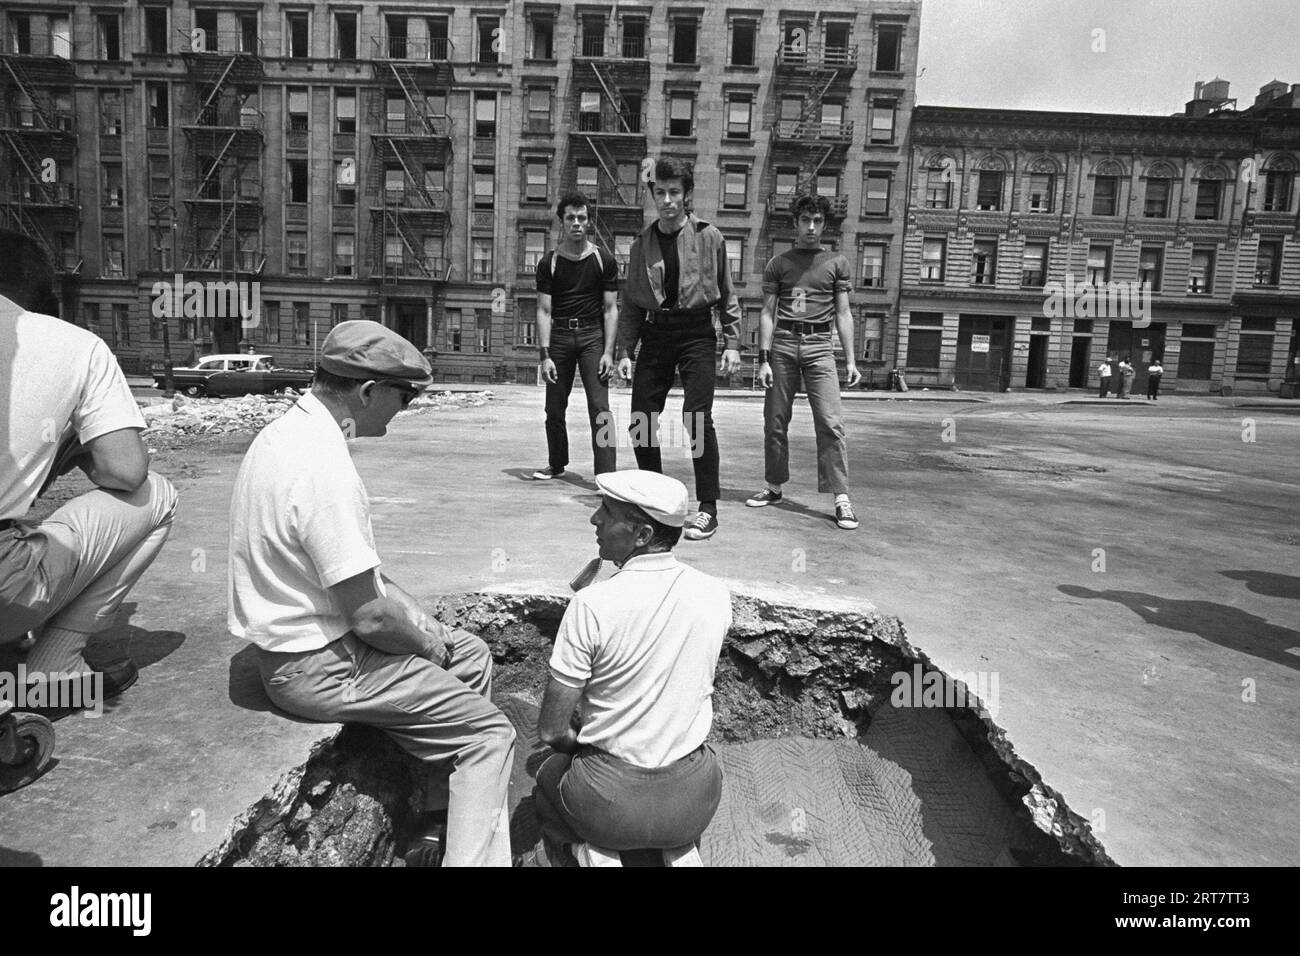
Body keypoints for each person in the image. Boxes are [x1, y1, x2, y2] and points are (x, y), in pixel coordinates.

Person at [227, 320, 515, 867]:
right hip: (318, 664)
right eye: (402, 398)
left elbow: (354, 573)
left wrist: (425, 622)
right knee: (489, 734)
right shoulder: (323, 468)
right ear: (367, 392)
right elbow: (371, 618)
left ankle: (435, 817)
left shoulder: (287, 434)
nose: (402, 411)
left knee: (470, 654)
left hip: (305, 642)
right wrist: (425, 644)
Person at [0, 229, 177, 717]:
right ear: (42, 300)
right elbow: (126, 471)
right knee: (157, 496)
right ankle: (52, 671)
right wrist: (71, 447)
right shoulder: (74, 345)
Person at [533, 470, 730, 866]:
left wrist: (582, 750)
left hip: (607, 807)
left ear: (641, 535)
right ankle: (677, 849)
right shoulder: (715, 593)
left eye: (606, 511)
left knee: (547, 776)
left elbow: (552, 731)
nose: (595, 519)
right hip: (692, 804)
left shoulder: (591, 605)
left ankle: (582, 853)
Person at [616, 157, 743, 541]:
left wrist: (732, 342)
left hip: (696, 334)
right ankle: (654, 502)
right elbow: (632, 303)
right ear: (653, 195)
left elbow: (727, 293)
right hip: (656, 335)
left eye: (675, 193)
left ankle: (708, 508)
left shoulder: (711, 237)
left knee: (697, 418)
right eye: (660, 193)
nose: (667, 200)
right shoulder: (641, 245)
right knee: (641, 418)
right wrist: (625, 350)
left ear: (687, 196)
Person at [747, 194, 862, 531]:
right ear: (795, 223)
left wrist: (850, 361)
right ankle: (774, 486)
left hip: (819, 347)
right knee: (775, 420)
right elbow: (767, 313)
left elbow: (843, 313)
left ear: (824, 225)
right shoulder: (778, 264)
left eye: (817, 221)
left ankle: (840, 497)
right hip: (782, 344)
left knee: (830, 422)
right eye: (805, 220)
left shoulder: (837, 262)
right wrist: (763, 359)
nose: (811, 227)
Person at [531, 192, 620, 480]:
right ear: (562, 222)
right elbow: (544, 311)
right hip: (559, 337)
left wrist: (609, 352)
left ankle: (605, 474)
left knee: (600, 407)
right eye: (571, 218)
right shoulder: (549, 263)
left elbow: (610, 308)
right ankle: (556, 464)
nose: (577, 223)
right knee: (554, 408)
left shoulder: (603, 259)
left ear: (589, 222)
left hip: (592, 336)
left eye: (582, 218)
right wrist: (544, 356)